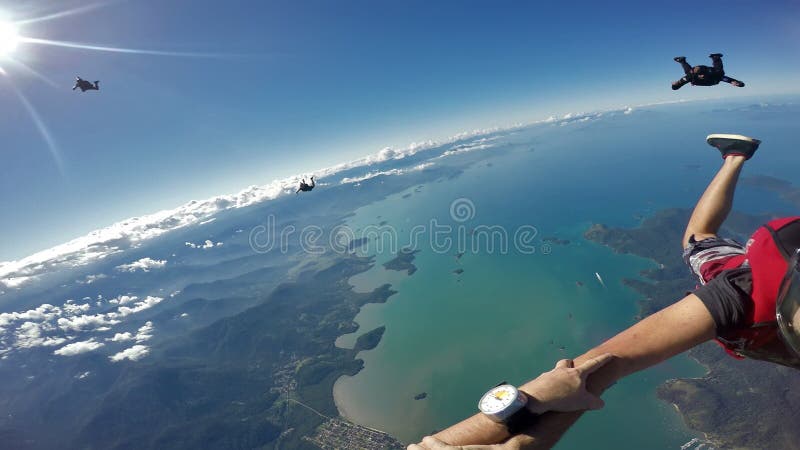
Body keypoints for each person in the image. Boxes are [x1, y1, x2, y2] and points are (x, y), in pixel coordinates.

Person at [410, 134, 800, 449]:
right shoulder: (745, 295)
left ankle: (735, 156)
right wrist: (531, 406)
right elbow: (594, 370)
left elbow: (592, 372)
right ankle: (734, 158)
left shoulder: (747, 301)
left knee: (698, 239)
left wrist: (532, 408)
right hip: (753, 277)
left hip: (759, 282)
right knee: (698, 241)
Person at [671, 54, 745, 90]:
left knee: (719, 72)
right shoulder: (691, 75)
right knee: (719, 72)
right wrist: (737, 83)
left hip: (710, 78)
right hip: (710, 79)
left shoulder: (713, 73)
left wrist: (736, 83)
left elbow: (680, 83)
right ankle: (716, 57)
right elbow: (680, 83)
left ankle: (682, 61)